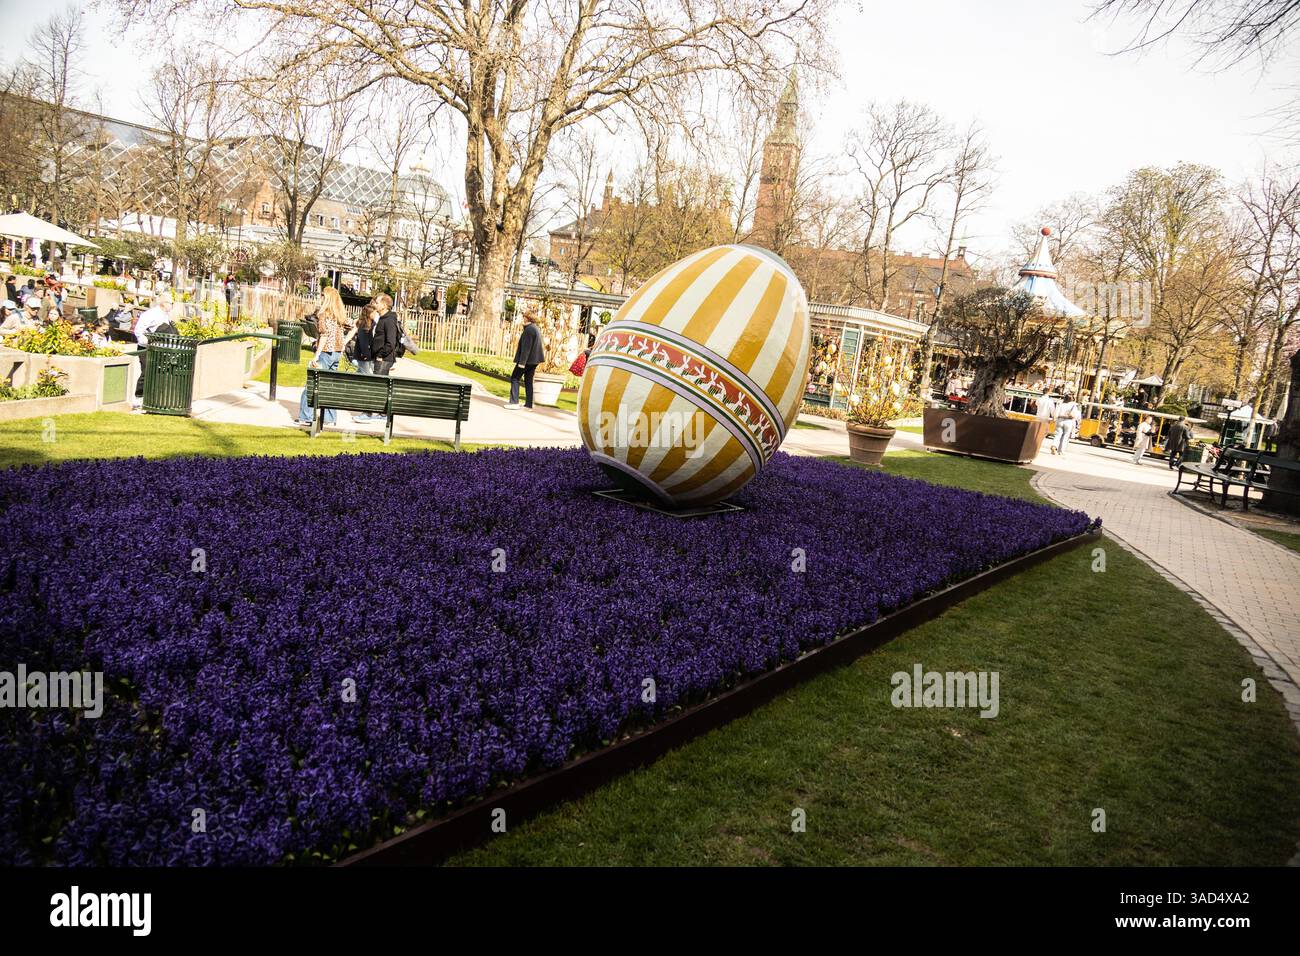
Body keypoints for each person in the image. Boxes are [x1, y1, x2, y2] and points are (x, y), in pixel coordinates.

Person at [297, 287, 351, 427]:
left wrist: (316, 355)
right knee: (329, 386)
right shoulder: (339, 315)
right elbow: (350, 327)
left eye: (322, 295)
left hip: (326, 353)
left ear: (326, 298)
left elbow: (324, 336)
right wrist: (343, 343)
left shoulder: (324, 314)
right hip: (337, 354)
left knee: (311, 385)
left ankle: (306, 416)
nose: (320, 297)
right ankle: (329, 418)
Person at [506, 310, 544, 409]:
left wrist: (522, 362)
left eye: (524, 317)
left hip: (527, 361)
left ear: (528, 318)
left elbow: (526, 348)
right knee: (528, 381)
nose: (523, 318)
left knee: (515, 378)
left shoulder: (529, 330)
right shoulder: (535, 328)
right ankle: (528, 404)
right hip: (534, 360)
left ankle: (514, 403)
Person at [370, 294, 400, 377]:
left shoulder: (389, 320)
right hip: (379, 357)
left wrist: (381, 355)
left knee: (378, 385)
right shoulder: (382, 318)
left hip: (384, 359)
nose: (375, 305)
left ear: (384, 305)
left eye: (377, 303)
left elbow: (391, 342)